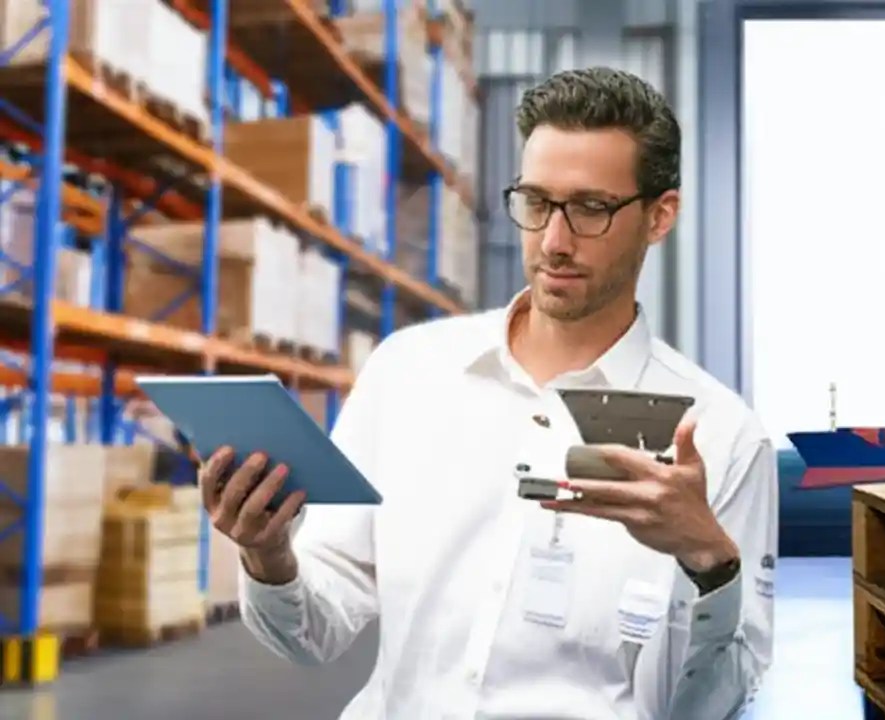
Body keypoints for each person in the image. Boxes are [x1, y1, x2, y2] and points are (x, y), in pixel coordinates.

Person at [199, 66, 778, 719]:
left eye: (590, 209)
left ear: (659, 215)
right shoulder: (409, 374)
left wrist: (710, 561)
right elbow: (313, 632)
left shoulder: (723, 438)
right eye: (535, 202)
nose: (553, 242)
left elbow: (716, 703)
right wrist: (268, 555)